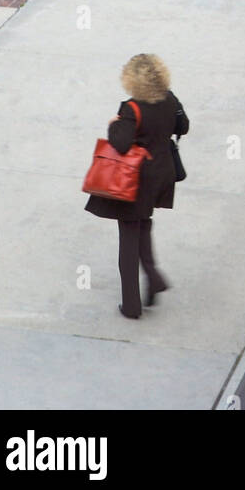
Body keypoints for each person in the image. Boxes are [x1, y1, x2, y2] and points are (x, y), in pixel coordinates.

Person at [85, 53, 189, 320]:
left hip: (135, 180)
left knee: (128, 240)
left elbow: (120, 144)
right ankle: (153, 281)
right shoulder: (170, 99)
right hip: (161, 175)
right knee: (142, 223)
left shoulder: (131, 109)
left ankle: (132, 306)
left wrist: (114, 124)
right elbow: (183, 127)